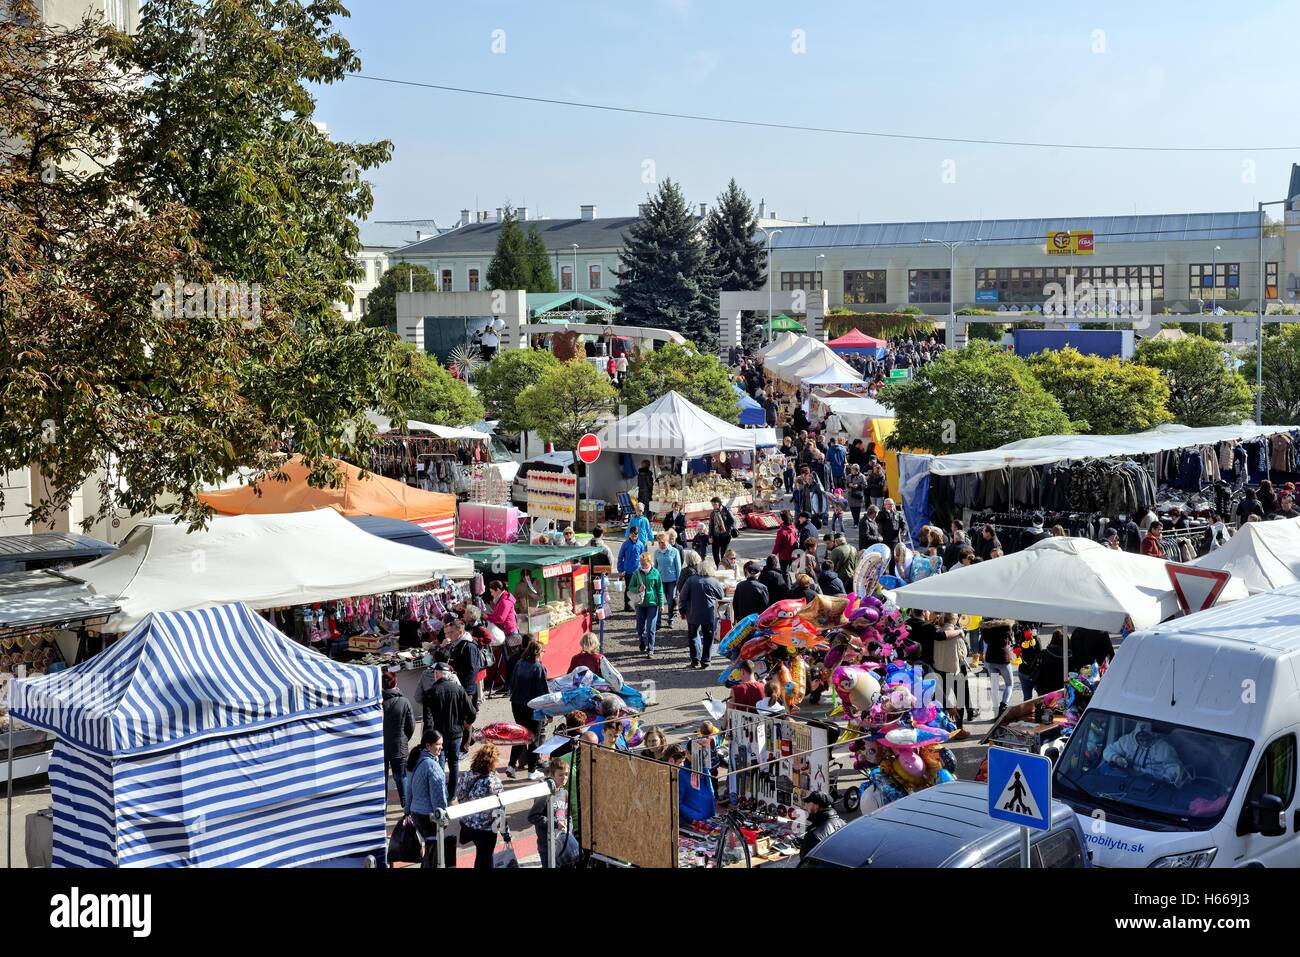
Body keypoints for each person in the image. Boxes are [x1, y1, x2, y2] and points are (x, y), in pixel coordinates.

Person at [412, 661, 477, 800]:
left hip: (438, 736)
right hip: (456, 734)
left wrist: (427, 739)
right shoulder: (459, 690)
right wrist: (466, 723)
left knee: (440, 764)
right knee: (454, 764)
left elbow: (428, 720)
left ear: (436, 675)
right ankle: (452, 795)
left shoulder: (431, 692)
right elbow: (472, 712)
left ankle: (440, 794)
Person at [402, 729, 448, 868]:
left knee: (429, 850)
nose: (441, 748)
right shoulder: (432, 767)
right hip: (429, 816)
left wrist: (407, 810)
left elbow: (408, 789)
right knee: (434, 854)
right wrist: (443, 817)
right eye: (438, 745)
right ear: (428, 746)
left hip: (416, 814)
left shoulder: (414, 760)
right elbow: (438, 797)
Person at [506, 640, 550, 778]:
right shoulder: (539, 667)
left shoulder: (519, 664)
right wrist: (548, 711)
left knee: (520, 735)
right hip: (533, 706)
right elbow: (544, 692)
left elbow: (511, 684)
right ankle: (532, 770)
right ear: (538, 652)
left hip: (517, 704)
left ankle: (511, 766)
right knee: (533, 738)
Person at [456, 745, 505, 868]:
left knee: (481, 856)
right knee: (485, 858)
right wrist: (505, 832)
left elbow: (460, 797)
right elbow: (500, 810)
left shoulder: (467, 775)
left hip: (468, 823)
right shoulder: (494, 782)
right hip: (486, 828)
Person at [527, 759, 580, 868]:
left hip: (562, 843)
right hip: (547, 846)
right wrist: (556, 824)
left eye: (566, 775)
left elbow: (567, 815)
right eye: (560, 775)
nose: (564, 778)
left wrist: (568, 829)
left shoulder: (564, 792)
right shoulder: (545, 793)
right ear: (552, 775)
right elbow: (533, 816)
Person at [1101, 723, 1191, 786]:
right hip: (1127, 781)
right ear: (1135, 735)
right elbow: (1107, 751)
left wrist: (1169, 776)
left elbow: (1174, 766)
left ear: (1151, 735)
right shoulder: (1127, 741)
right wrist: (1117, 759)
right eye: (1140, 739)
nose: (1144, 742)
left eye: (1147, 738)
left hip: (1153, 784)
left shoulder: (1163, 747)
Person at [679, 560, 725, 669]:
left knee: (693, 636)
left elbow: (682, 596)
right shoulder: (713, 581)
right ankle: (706, 661)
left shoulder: (690, 580)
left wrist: (682, 610)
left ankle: (695, 660)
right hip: (708, 614)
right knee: (708, 638)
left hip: (692, 613)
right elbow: (721, 596)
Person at [383, 670, 415, 810]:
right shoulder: (403, 701)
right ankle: (406, 807)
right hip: (399, 746)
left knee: (382, 779)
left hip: (381, 747)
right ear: (395, 683)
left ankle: (382, 807)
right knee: (401, 778)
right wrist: (404, 738)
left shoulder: (378, 703)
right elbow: (411, 725)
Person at [664, 744, 716, 823]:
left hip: (706, 814)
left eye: (683, 761)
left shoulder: (694, 769)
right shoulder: (679, 775)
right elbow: (678, 803)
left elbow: (709, 789)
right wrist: (697, 816)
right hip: (692, 818)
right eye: (680, 762)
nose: (682, 765)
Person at [629, 549, 666, 657]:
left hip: (652, 604)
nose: (643, 566)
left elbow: (659, 589)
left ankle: (650, 649)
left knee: (651, 628)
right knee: (640, 627)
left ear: (650, 562)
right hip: (640, 604)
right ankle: (642, 639)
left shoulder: (655, 573)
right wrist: (638, 589)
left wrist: (662, 603)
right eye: (642, 564)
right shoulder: (636, 573)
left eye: (645, 564)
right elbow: (631, 587)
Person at [980, 619, 1015, 718]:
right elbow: (1010, 639)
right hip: (1003, 657)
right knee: (1009, 684)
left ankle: (995, 708)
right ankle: (1003, 706)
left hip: (991, 657)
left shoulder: (985, 627)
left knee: (994, 686)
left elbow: (985, 640)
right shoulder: (1006, 626)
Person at [444, 618, 483, 708]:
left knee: (465, 716)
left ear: (460, 631)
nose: (448, 635)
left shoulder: (469, 646)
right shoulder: (455, 644)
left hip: (465, 688)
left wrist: (466, 690)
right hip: (457, 685)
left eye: (451, 632)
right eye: (447, 633)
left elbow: (472, 670)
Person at [798, 791, 845, 863]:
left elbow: (805, 862)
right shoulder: (843, 823)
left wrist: (806, 842)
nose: (806, 806)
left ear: (817, 806)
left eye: (808, 803)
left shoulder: (814, 835)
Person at [485, 579, 520, 668]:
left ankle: (512, 680)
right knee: (509, 661)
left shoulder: (504, 601)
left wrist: (487, 617)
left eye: (492, 592)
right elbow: (497, 615)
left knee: (512, 661)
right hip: (507, 631)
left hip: (510, 633)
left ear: (498, 590)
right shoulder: (502, 599)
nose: (491, 594)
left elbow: (500, 618)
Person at [653, 532, 682, 629]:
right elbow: (655, 568)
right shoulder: (656, 552)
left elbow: (678, 568)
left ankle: (671, 620)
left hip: (672, 581)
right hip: (660, 581)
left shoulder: (674, 551)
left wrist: (678, 583)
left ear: (667, 541)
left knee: (670, 601)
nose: (661, 544)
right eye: (659, 542)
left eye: (663, 542)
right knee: (658, 601)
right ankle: (658, 622)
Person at [617, 524, 647, 612]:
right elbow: (620, 557)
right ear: (630, 534)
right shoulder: (625, 544)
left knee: (638, 588)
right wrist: (620, 570)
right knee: (628, 588)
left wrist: (644, 568)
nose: (634, 537)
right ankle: (627, 605)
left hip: (638, 571)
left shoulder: (641, 544)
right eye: (632, 536)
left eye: (636, 536)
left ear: (638, 535)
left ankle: (637, 604)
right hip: (628, 571)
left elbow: (643, 557)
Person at [707, 496, 737, 567]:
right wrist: (710, 536)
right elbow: (711, 526)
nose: (714, 506)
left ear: (719, 504)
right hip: (716, 536)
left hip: (725, 536)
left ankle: (723, 567)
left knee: (723, 554)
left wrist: (728, 531)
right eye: (712, 505)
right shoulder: (712, 513)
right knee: (715, 553)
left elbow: (733, 521)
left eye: (715, 504)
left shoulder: (726, 510)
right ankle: (718, 567)